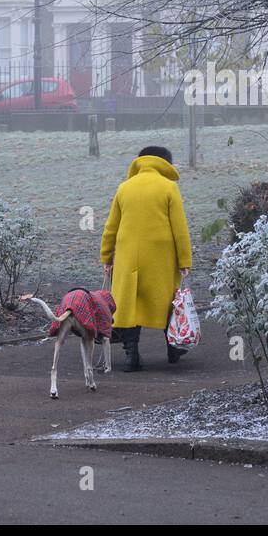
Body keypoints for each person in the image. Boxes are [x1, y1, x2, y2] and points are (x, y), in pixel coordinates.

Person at [100, 146, 193, 372]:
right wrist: (184, 260)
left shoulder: (124, 188)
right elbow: (179, 228)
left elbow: (111, 226)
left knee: (129, 305)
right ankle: (173, 349)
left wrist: (106, 256)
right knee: (168, 303)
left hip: (127, 255)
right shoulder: (169, 187)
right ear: (165, 163)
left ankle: (132, 357)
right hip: (161, 257)